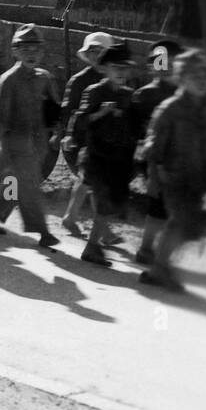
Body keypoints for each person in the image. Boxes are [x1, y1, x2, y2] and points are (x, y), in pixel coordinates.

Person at [0, 24, 61, 248]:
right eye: (25, 49)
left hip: (37, 142)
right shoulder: (8, 81)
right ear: (15, 51)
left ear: (42, 52)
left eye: (36, 49)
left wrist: (55, 133)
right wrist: (2, 147)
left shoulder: (44, 78)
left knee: (13, 184)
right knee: (29, 186)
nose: (31, 54)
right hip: (15, 141)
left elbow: (53, 110)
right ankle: (42, 231)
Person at [139, 49, 206, 291]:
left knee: (189, 224)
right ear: (182, 78)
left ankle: (161, 264)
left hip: (200, 175)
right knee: (179, 221)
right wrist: (155, 175)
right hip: (173, 176)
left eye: (205, 74)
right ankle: (158, 268)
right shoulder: (170, 109)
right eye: (194, 75)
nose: (201, 80)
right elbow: (152, 143)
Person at [70, 44, 138, 266]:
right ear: (104, 69)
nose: (120, 72)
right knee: (104, 202)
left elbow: (134, 127)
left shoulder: (129, 95)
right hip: (97, 156)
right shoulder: (95, 91)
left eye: (124, 68)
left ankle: (94, 244)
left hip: (120, 158)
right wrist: (102, 112)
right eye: (114, 67)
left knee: (112, 203)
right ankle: (92, 247)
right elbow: (80, 122)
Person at [60, 31, 118, 237]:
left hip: (104, 142)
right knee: (94, 181)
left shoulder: (113, 78)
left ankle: (71, 218)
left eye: (101, 51)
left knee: (90, 182)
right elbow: (68, 112)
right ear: (87, 54)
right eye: (92, 51)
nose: (96, 55)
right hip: (80, 141)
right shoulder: (79, 81)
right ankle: (104, 231)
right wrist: (69, 136)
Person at [133, 39, 182, 266]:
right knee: (160, 204)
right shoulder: (145, 95)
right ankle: (146, 248)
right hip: (152, 156)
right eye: (161, 62)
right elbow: (135, 130)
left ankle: (159, 249)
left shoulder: (182, 95)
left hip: (176, 158)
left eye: (172, 62)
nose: (166, 67)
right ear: (152, 65)